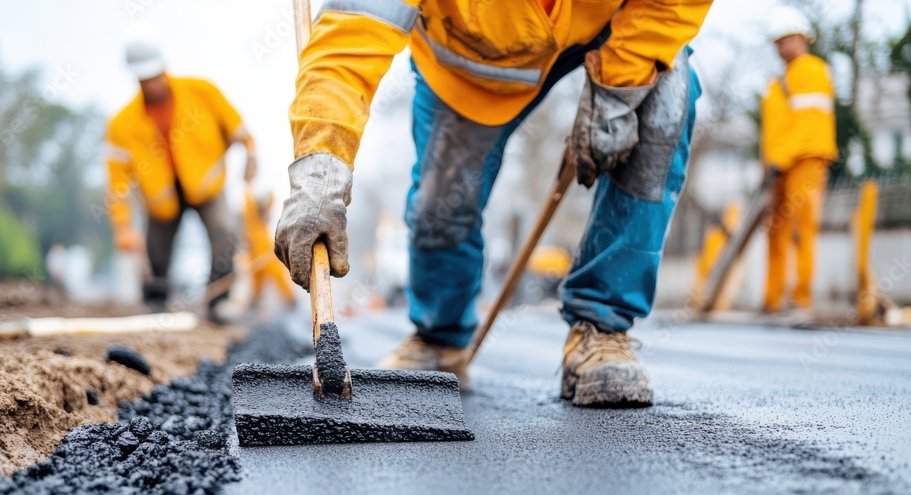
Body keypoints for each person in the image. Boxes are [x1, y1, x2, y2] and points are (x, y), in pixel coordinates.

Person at [275, 1, 713, 407]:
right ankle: (440, 338)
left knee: (667, 96)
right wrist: (320, 170)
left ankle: (601, 327)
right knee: (439, 202)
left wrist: (622, 85)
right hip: (470, 67)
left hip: (617, 29)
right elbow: (347, 46)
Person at [104, 25, 258, 316]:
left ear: (164, 68)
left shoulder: (202, 92)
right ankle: (156, 302)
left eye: (154, 76)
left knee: (224, 231)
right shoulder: (121, 125)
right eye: (144, 79)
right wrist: (123, 227)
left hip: (205, 188)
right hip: (161, 199)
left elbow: (240, 131)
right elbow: (117, 183)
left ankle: (219, 299)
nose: (151, 84)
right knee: (155, 249)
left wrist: (250, 156)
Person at [761, 6, 838, 314]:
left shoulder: (811, 70)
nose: (781, 47)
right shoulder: (781, 79)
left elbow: (808, 125)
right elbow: (775, 130)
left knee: (801, 230)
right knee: (775, 231)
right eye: (777, 42)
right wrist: (769, 165)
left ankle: (801, 299)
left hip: (805, 161)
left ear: (801, 38)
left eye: (786, 39)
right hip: (779, 167)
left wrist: (781, 158)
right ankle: (772, 300)